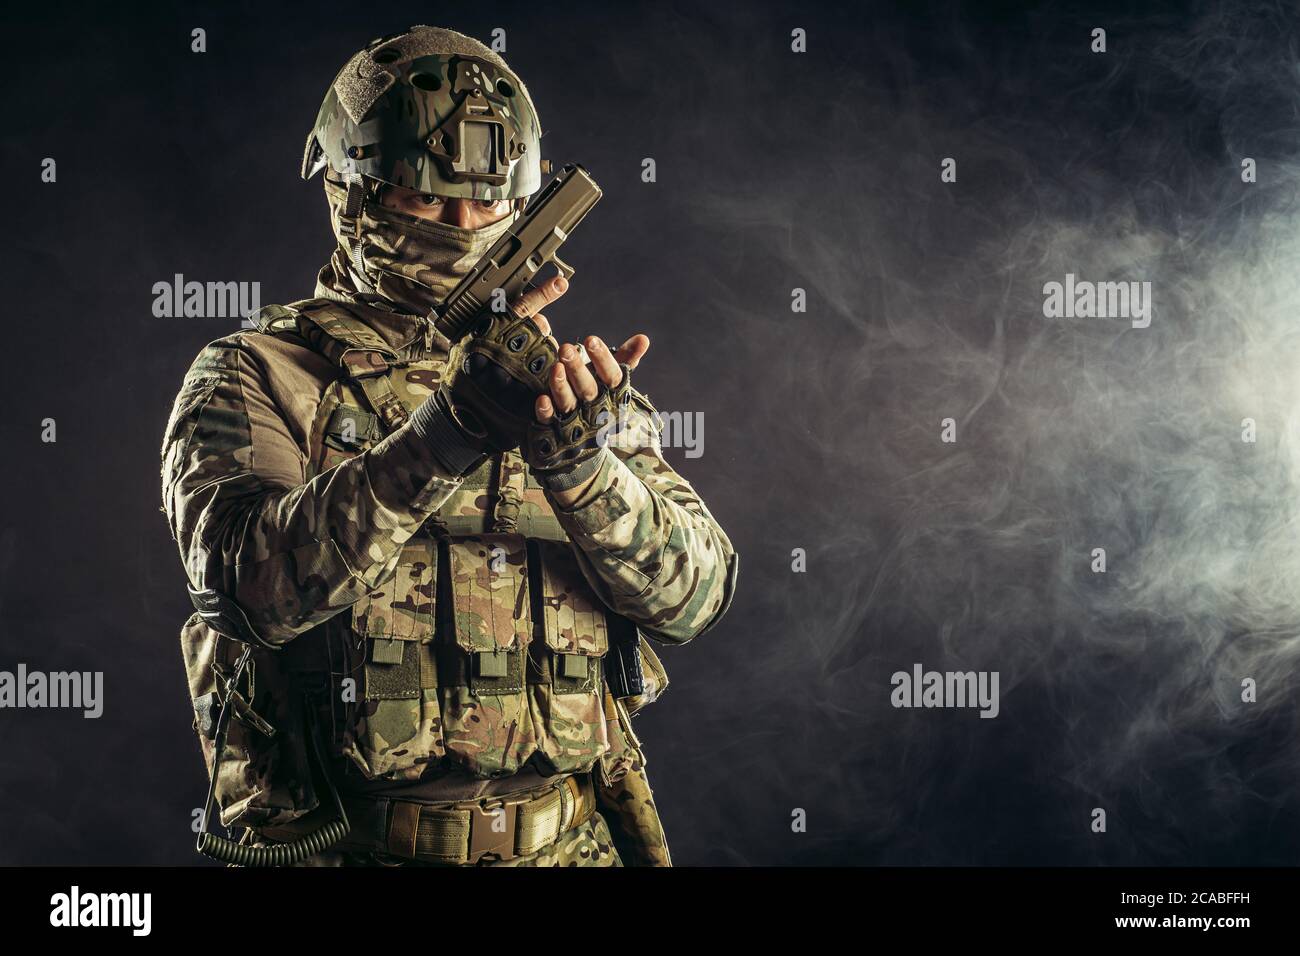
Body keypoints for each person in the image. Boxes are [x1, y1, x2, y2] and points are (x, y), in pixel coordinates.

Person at [160, 24, 738, 866]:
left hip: (570, 843)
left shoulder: (563, 384)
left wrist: (579, 464)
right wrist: (449, 432)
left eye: (490, 203)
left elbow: (696, 598)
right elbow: (245, 590)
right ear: (355, 195)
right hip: (351, 849)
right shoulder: (260, 373)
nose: (464, 226)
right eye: (426, 200)